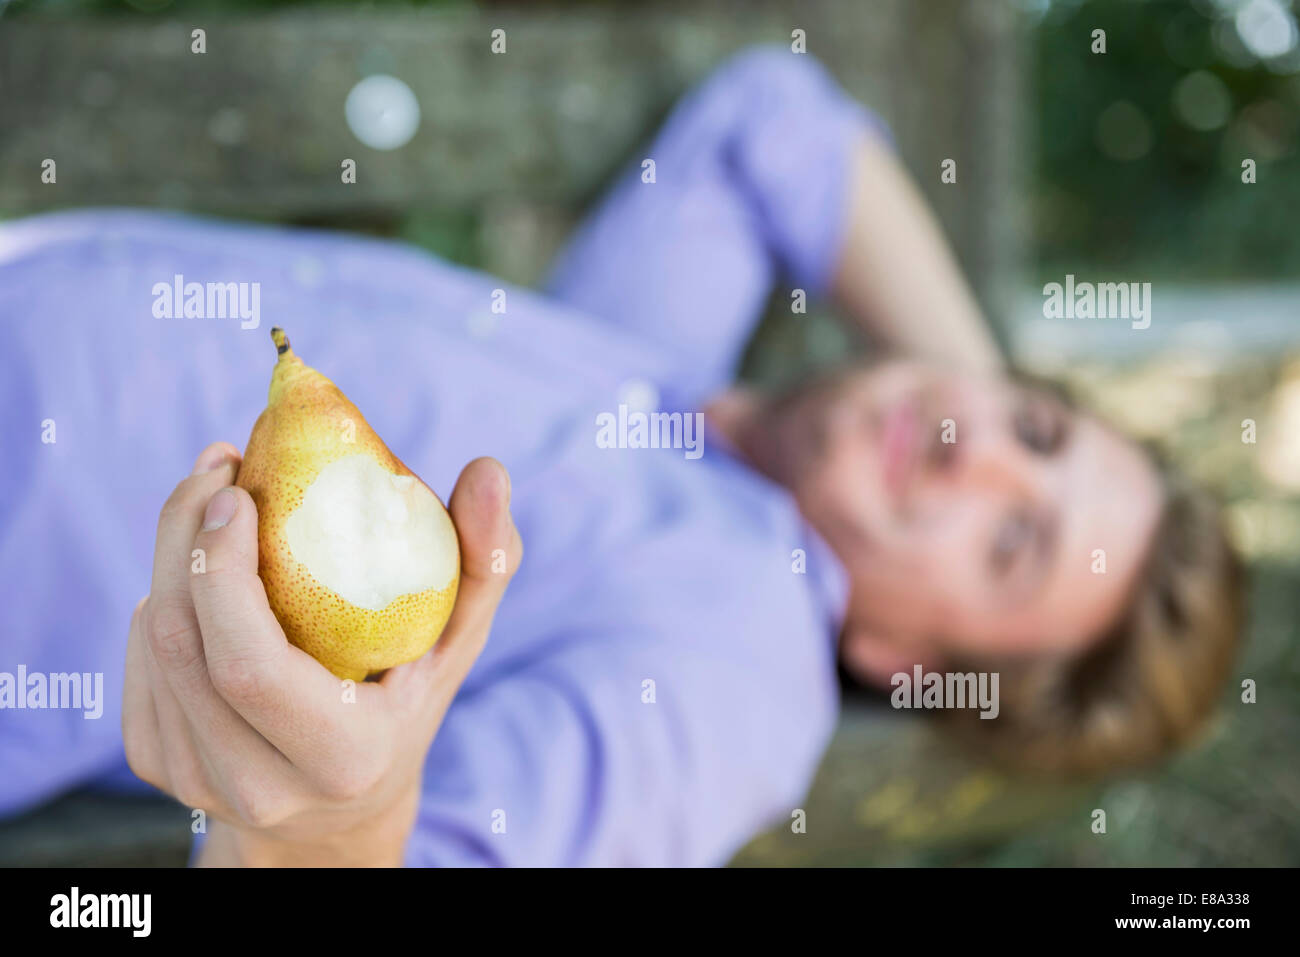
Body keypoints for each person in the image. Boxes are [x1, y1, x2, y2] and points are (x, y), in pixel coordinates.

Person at [0, 48, 1244, 866]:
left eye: (1010, 541)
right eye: (1034, 433)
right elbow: (772, 119)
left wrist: (338, 813)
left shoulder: (728, 686)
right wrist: (975, 392)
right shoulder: (663, 372)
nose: (977, 455)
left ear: (906, 661)